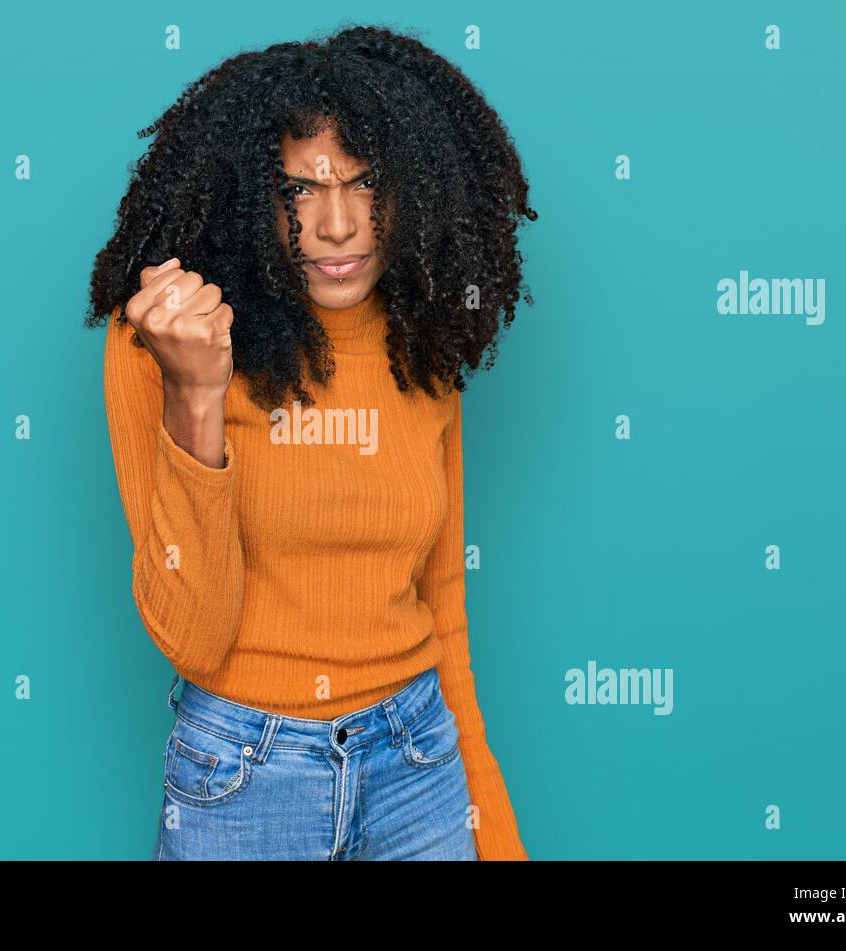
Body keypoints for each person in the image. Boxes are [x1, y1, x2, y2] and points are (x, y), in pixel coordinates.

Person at [86, 24, 535, 860]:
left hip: (418, 760)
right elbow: (193, 637)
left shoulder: (421, 334)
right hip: (244, 778)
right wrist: (196, 396)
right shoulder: (159, 340)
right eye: (302, 189)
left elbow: (446, 614)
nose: (337, 225)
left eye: (367, 184)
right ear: (252, 194)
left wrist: (494, 833)